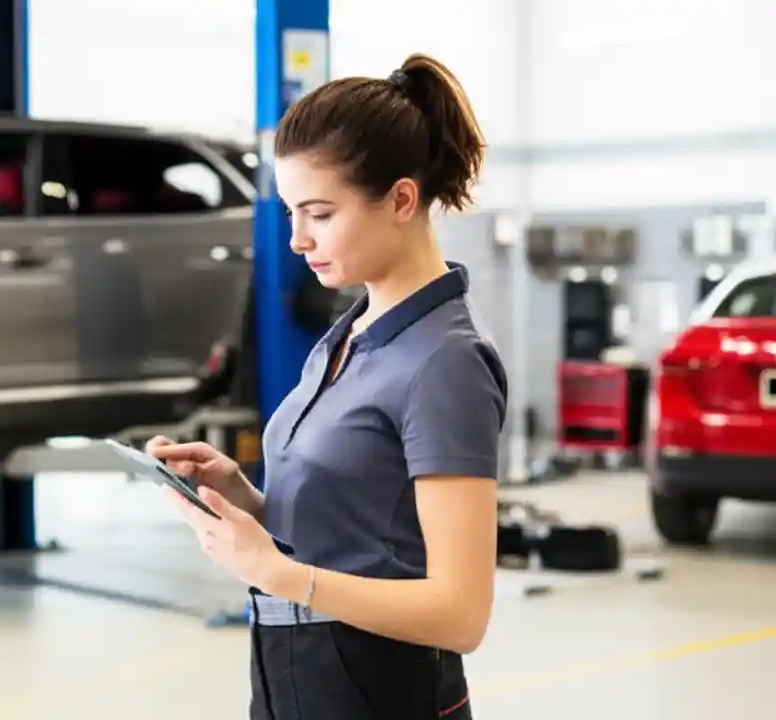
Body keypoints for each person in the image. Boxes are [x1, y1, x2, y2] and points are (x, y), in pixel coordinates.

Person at [146, 51, 507, 720]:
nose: (296, 239)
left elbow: (460, 615)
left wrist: (279, 575)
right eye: (290, 213)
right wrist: (246, 501)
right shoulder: (352, 332)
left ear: (401, 199)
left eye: (318, 213)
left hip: (380, 690)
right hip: (293, 677)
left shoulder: (445, 364)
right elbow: (358, 533)